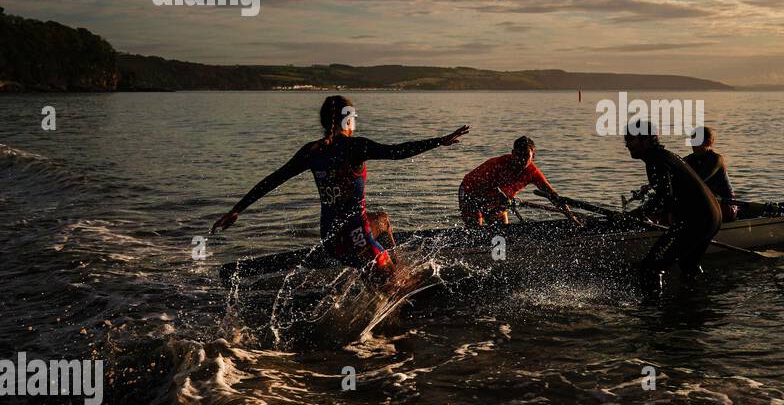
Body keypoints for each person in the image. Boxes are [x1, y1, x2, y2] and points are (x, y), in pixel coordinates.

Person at [210, 95, 469, 281]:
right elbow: (396, 152)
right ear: (348, 120)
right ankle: (393, 300)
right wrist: (439, 141)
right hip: (357, 238)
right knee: (397, 289)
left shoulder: (311, 152)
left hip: (330, 238)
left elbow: (272, 180)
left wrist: (236, 210)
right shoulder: (355, 147)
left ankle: (392, 270)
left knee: (381, 219)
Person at [624, 120, 722, 291]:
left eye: (631, 140)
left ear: (646, 139)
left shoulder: (655, 159)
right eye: (626, 140)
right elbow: (668, 196)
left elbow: (664, 198)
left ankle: (654, 313)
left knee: (651, 267)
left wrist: (637, 214)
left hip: (697, 220)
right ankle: (698, 305)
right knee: (688, 266)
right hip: (711, 216)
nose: (627, 145)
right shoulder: (663, 155)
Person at [458, 136, 577, 226]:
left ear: (533, 157)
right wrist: (501, 197)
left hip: (498, 200)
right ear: (513, 153)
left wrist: (571, 218)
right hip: (470, 191)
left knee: (503, 232)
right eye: (518, 155)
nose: (521, 160)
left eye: (526, 156)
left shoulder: (533, 173)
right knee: (476, 229)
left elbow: (553, 196)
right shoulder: (498, 164)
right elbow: (485, 185)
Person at [684, 126, 739, 221]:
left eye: (697, 141)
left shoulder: (716, 159)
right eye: (692, 141)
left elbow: (699, 180)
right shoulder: (688, 160)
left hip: (726, 206)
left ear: (708, 142)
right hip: (708, 202)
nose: (693, 145)